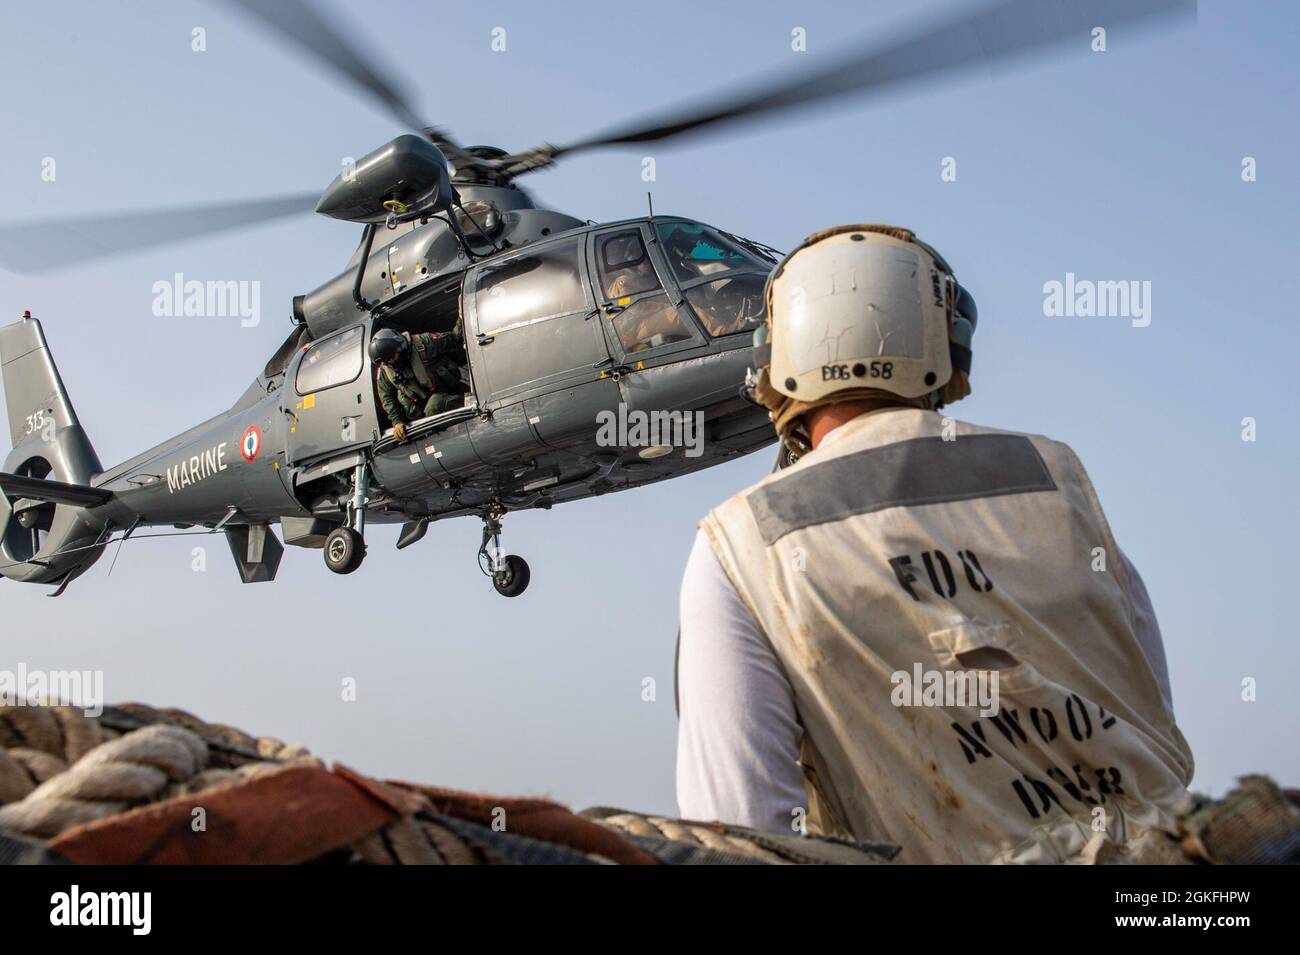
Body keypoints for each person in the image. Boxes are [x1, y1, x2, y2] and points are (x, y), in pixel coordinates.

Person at [675, 224, 1194, 864]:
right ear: (948, 346)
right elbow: (1153, 720)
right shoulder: (1061, 488)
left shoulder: (741, 545)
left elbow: (742, 834)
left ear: (778, 362)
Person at [370, 327, 465, 442]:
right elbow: (387, 397)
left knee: (434, 404)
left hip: (452, 396)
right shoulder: (386, 369)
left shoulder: (425, 343)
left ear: (400, 347)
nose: (391, 363)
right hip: (421, 415)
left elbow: (454, 338)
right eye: (387, 362)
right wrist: (397, 422)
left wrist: (461, 317)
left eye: (392, 358)